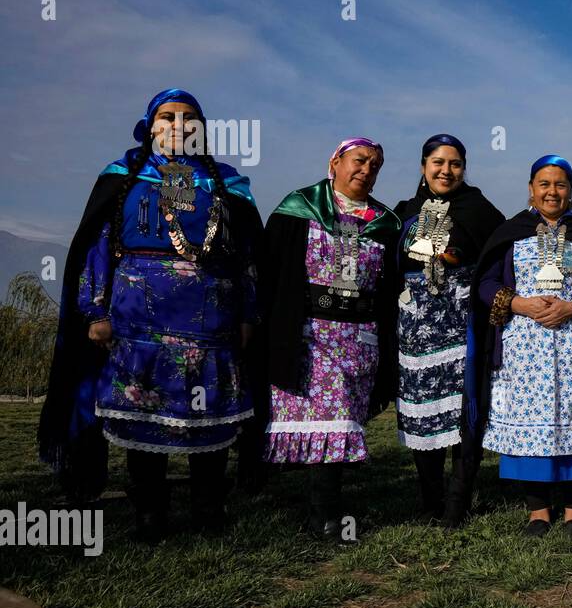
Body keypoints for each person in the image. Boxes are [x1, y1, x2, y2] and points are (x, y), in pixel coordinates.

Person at [39, 88, 263, 540]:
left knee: (209, 415)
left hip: (210, 321)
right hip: (138, 319)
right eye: (167, 117)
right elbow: (97, 248)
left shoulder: (228, 183)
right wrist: (94, 310)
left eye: (188, 118)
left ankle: (208, 511)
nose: (178, 125)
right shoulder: (123, 177)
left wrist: (248, 314)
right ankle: (149, 513)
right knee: (144, 414)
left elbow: (248, 257)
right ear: (150, 126)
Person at [467, 155, 572, 538]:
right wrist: (519, 303)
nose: (553, 192)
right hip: (524, 347)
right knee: (527, 429)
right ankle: (538, 511)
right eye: (544, 184)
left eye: (561, 185)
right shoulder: (510, 233)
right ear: (531, 189)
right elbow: (483, 283)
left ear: (571, 191)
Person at [261, 137, 401, 542]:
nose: (366, 170)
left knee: (342, 421)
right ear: (335, 161)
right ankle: (325, 515)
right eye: (359, 161)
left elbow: (389, 286)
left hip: (359, 336)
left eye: (375, 165)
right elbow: (272, 271)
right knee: (329, 417)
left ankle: (323, 508)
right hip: (310, 333)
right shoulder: (298, 208)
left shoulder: (384, 222)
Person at [391, 133, 504, 528]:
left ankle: (457, 503)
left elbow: (500, 258)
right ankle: (430, 499)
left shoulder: (480, 210)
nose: (446, 170)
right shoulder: (404, 212)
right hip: (414, 330)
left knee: (463, 412)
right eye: (438, 162)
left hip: (462, 326)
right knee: (423, 414)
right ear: (423, 167)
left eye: (455, 163)